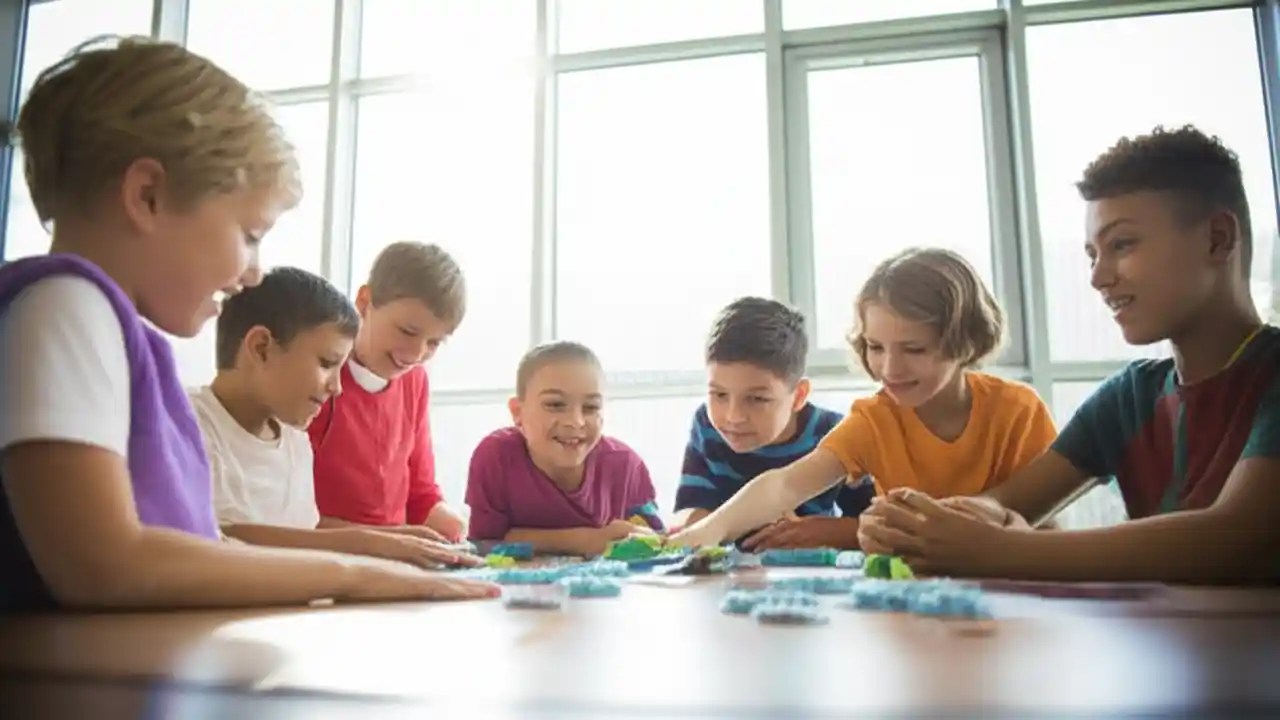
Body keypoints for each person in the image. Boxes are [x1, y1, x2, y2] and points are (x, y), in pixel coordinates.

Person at [0, 37, 495, 611]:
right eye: (249, 235)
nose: (253, 273)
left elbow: (197, 544)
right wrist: (353, 573)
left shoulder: (105, 330)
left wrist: (366, 559)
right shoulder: (66, 308)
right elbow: (102, 565)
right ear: (148, 195)